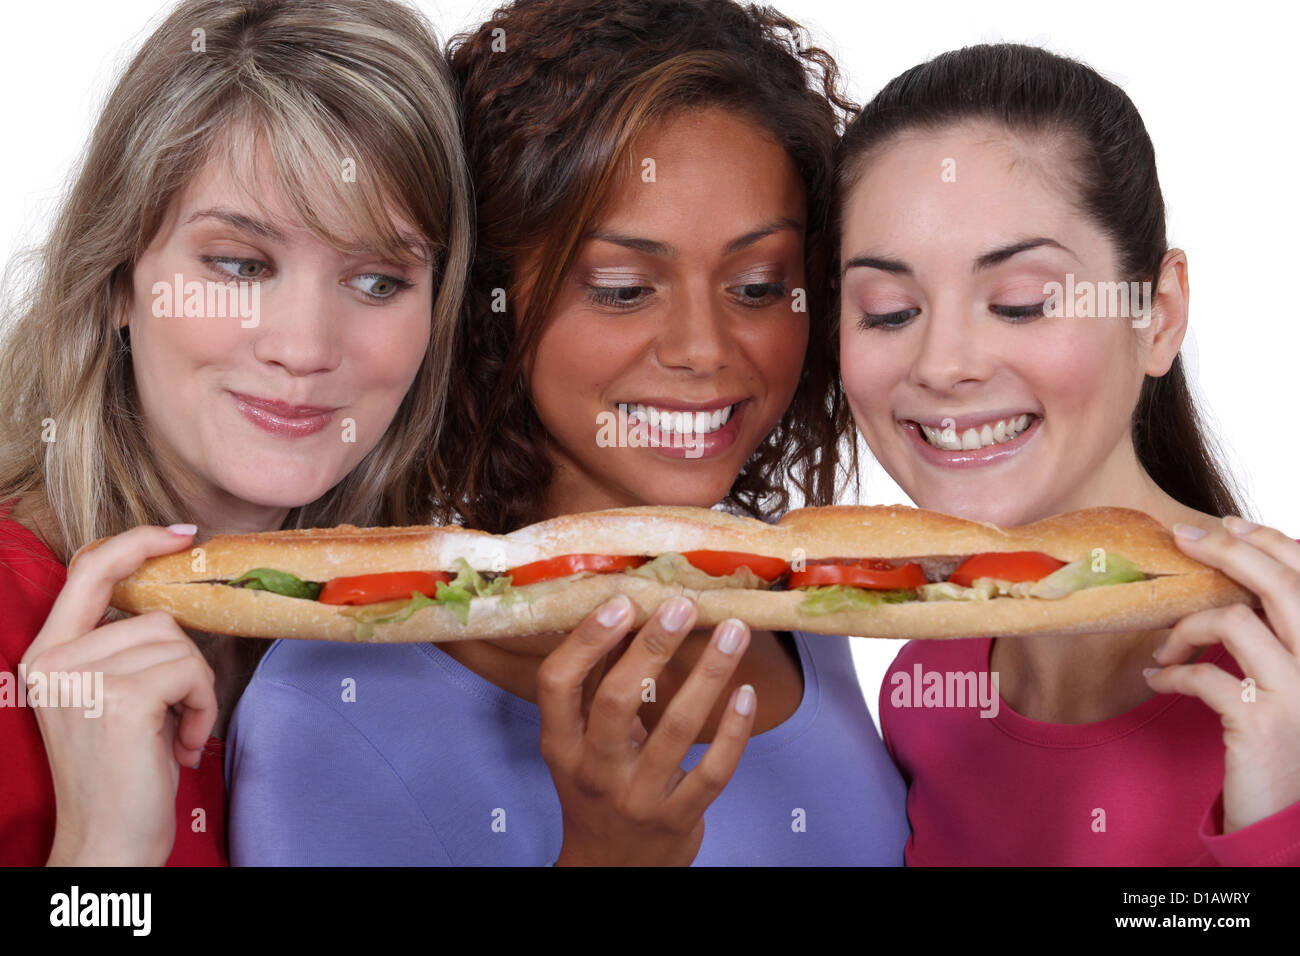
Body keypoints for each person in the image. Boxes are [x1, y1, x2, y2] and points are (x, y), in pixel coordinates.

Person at [228, 0, 908, 866]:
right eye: (623, 288)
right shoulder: (331, 701)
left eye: (759, 285)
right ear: (488, 305)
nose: (704, 350)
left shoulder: (801, 616)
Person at [0, 0, 471, 865]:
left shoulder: (435, 646)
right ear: (116, 281)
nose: (304, 349)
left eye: (376, 281)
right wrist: (101, 851)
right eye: (240, 265)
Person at [834, 42, 1300, 865]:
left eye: (1020, 303)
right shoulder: (922, 685)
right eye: (888, 310)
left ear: (1157, 314)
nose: (944, 365)